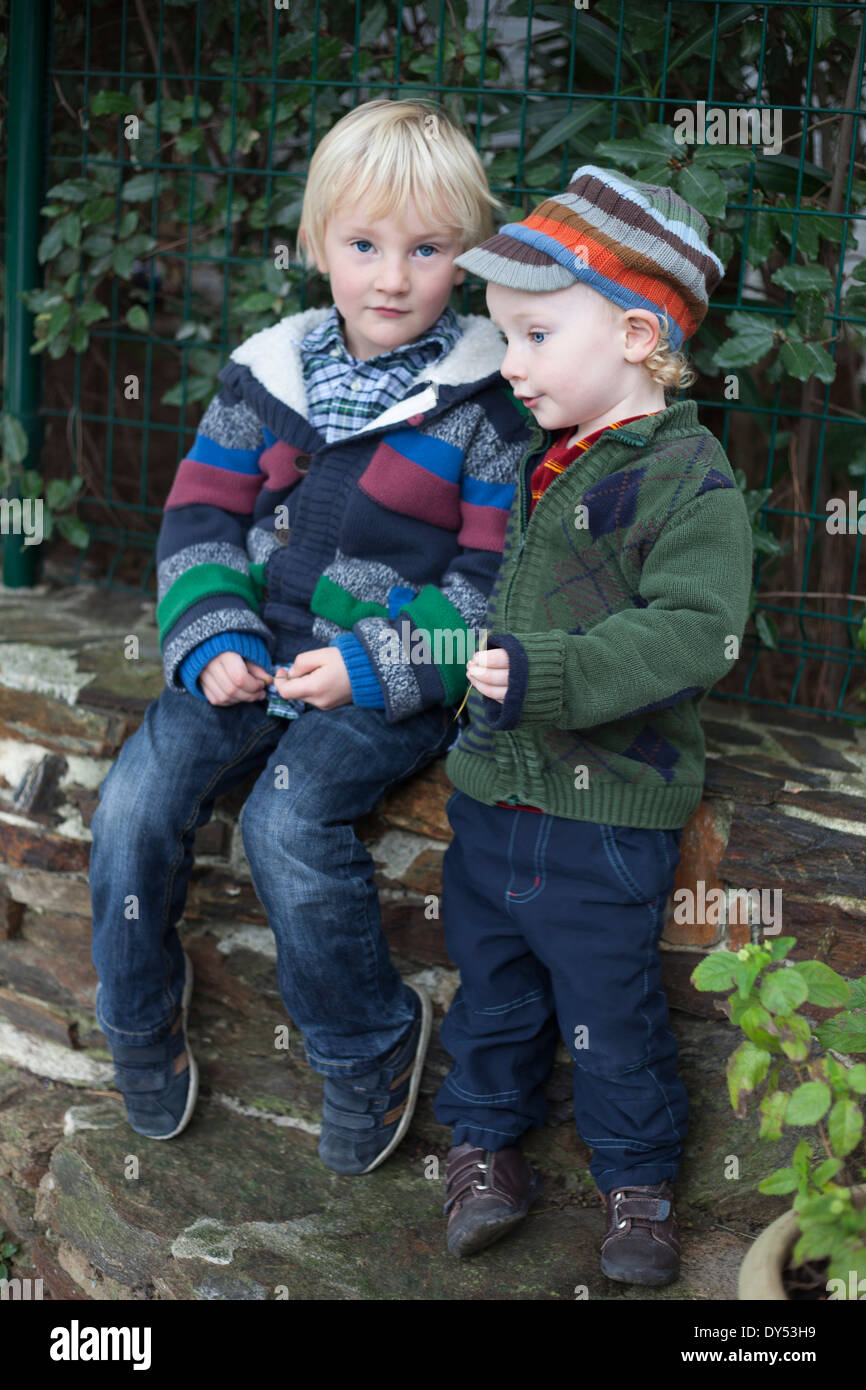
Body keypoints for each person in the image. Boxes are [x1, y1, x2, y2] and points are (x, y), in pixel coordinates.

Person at [88, 98, 532, 1177]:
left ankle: (365, 1042)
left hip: (385, 675)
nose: (392, 278)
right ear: (314, 245)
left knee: (286, 825)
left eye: (426, 251)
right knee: (132, 804)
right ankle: (138, 1017)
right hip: (250, 652)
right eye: (364, 246)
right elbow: (198, 516)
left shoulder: (485, 405)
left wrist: (379, 666)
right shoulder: (266, 375)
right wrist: (211, 639)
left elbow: (491, 580)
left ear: (463, 257)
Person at [433, 165, 754, 1285]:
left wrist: (545, 675)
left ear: (631, 332)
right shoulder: (544, 461)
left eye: (529, 335)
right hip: (493, 802)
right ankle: (480, 1152)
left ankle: (636, 1184)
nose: (506, 363)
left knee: (608, 1012)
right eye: (501, 337)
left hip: (602, 816)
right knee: (491, 994)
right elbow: (508, 613)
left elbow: (694, 637)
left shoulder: (686, 479)